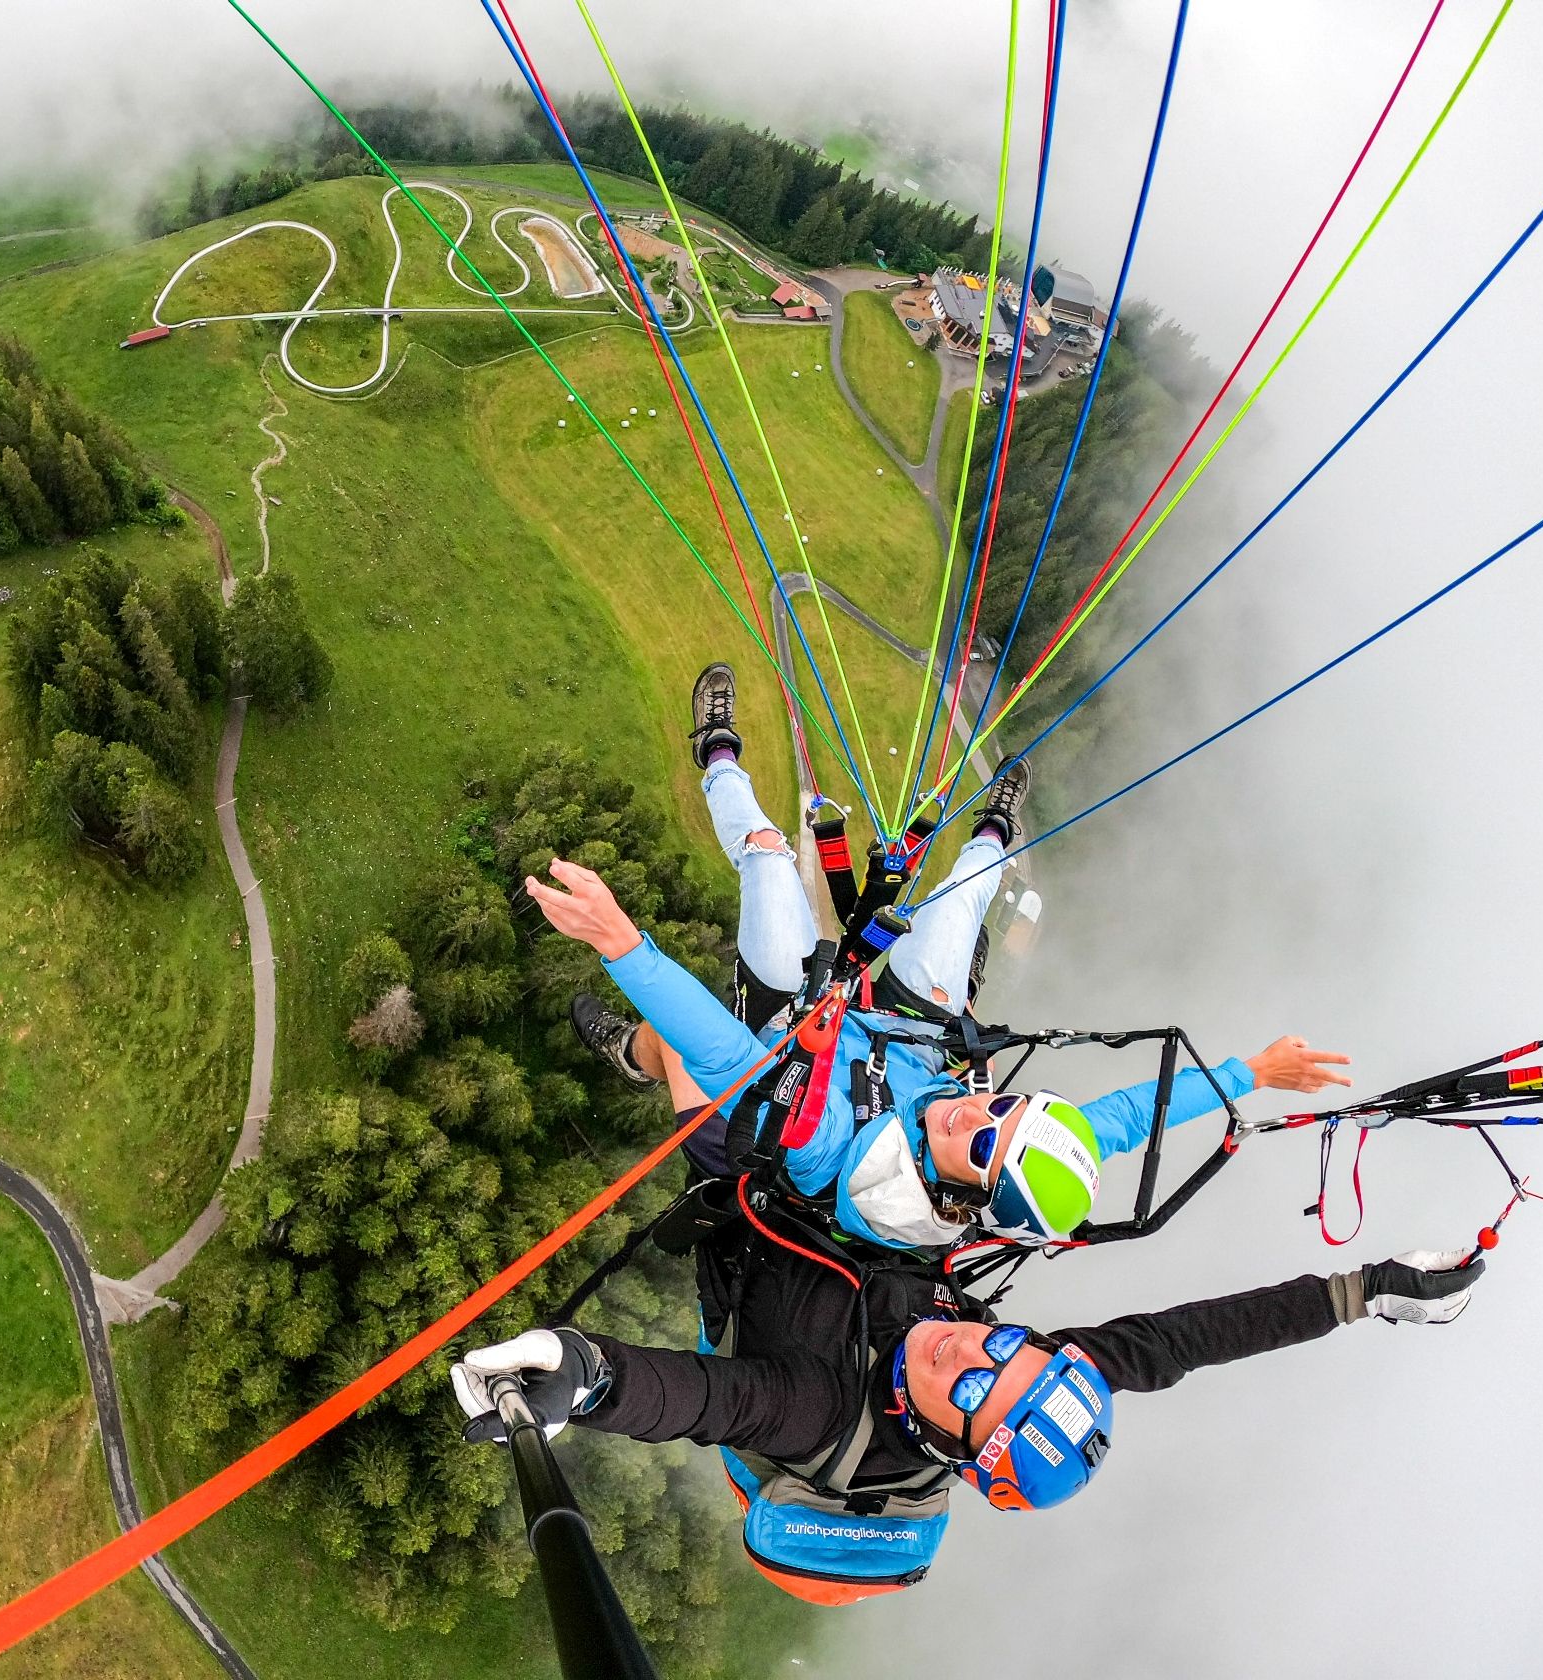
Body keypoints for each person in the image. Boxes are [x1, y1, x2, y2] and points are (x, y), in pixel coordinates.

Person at [551, 663, 1351, 1248]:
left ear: (959, 1191)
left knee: (765, 861)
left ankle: (718, 756)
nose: (978, 1111)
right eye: (1005, 1111)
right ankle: (994, 833)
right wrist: (1254, 1071)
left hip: (791, 1043)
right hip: (905, 1040)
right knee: (963, 894)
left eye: (977, 1143)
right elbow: (1130, 1118)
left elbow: (728, 1055)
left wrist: (624, 944)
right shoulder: (1018, 1141)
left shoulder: (833, 1148)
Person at [450, 1213, 1485, 1600]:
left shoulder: (820, 1412)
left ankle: (634, 1051)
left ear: (950, 1445)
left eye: (978, 1389)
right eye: (1014, 1348)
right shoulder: (1009, 1371)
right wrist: (1361, 1293)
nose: (972, 1348)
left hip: (759, 1227)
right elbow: (1181, 1340)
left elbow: (703, 1400)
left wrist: (578, 1370)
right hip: (865, 1236)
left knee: (701, 1083)